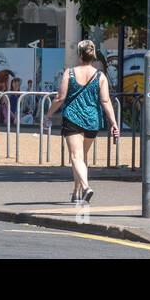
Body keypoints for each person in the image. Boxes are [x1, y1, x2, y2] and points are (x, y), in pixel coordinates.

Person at [45, 39, 120, 204]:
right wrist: (114, 123)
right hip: (92, 120)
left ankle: (85, 187)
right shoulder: (100, 76)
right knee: (82, 156)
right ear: (93, 55)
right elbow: (106, 101)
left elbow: (60, 98)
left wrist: (48, 114)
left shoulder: (69, 73)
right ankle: (76, 192)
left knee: (75, 155)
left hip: (73, 118)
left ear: (80, 55)